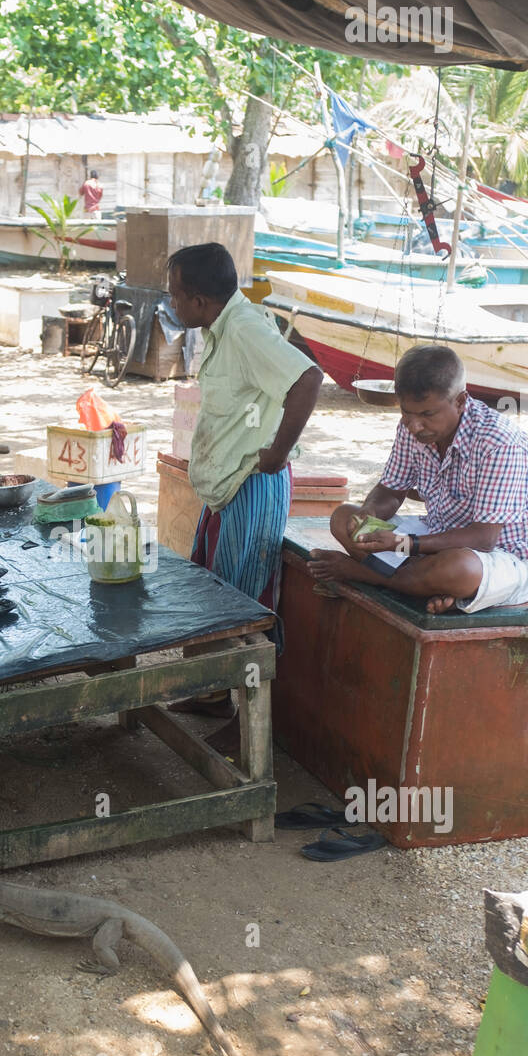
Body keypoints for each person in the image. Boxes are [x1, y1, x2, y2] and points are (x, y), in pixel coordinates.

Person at [167, 242, 322, 746]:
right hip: (226, 487)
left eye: (174, 295)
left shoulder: (246, 329)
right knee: (213, 595)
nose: (170, 304)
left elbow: (306, 377)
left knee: (243, 607)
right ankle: (212, 694)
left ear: (196, 299)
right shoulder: (221, 328)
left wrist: (278, 451)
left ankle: (249, 723)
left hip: (253, 485)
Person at [308, 345, 528, 614]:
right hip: (434, 537)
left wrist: (404, 545)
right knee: (343, 518)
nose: (414, 426)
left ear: (460, 401)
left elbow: (483, 539)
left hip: (503, 557)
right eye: (406, 412)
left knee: (459, 569)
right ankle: (426, 584)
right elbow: (391, 491)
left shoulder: (499, 443)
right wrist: (369, 512)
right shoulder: (412, 428)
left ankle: (368, 574)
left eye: (427, 414)